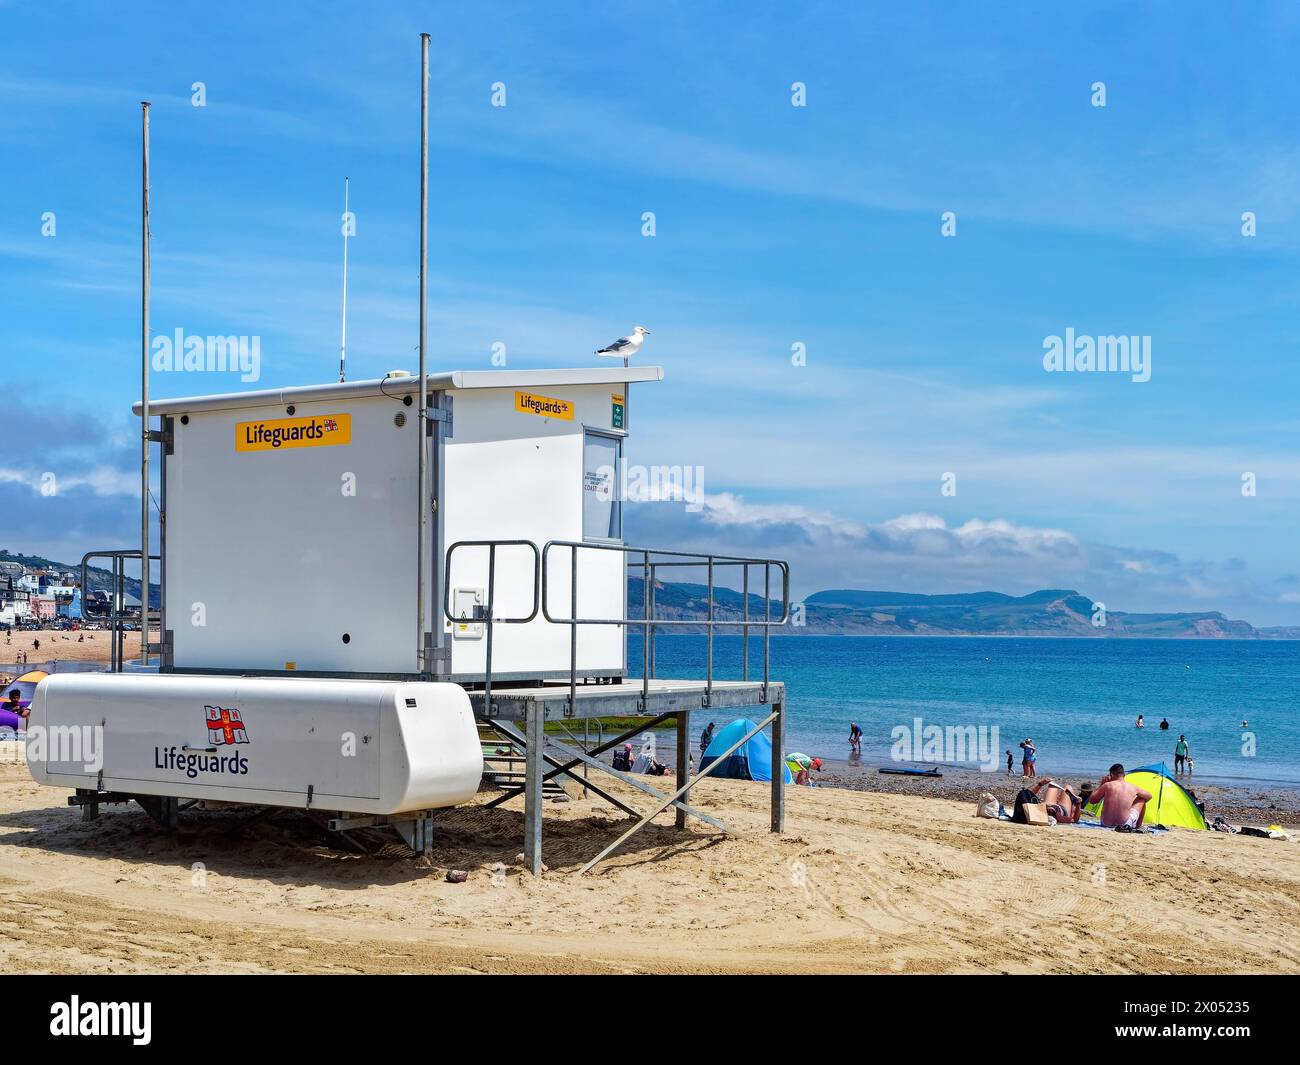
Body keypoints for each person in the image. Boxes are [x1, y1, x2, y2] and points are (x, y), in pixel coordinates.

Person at [1089, 763, 1152, 829]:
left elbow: (1092, 801)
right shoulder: (1132, 787)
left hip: (1106, 823)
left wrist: (1102, 784)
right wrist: (1132, 801)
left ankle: (1136, 825)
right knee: (1141, 799)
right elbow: (1149, 796)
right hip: (1124, 824)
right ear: (1124, 775)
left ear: (1111, 775)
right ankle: (1138, 826)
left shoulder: (1107, 785)